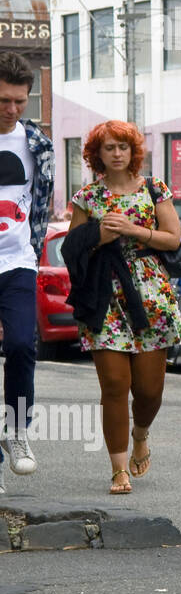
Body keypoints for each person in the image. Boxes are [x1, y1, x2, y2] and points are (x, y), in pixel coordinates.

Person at [64, 120, 181, 495]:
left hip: (150, 294)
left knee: (149, 391)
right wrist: (98, 236)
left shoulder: (154, 188)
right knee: (115, 385)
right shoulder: (87, 197)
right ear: (96, 155)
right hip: (105, 296)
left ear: (134, 152)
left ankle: (141, 432)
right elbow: (71, 248)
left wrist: (135, 231)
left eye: (123, 147)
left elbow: (173, 238)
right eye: (109, 148)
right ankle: (118, 468)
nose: (117, 154)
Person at [0, 51, 54, 492]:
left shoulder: (38, 144)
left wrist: (33, 250)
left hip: (17, 260)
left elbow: (42, 202)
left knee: (21, 343)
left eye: (20, 101)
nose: (12, 109)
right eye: (3, 100)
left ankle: (16, 430)